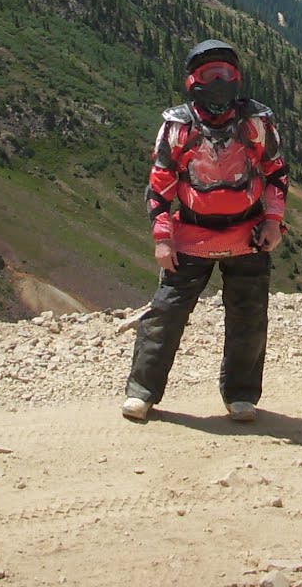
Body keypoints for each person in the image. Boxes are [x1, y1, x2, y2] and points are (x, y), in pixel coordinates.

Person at [122, 39, 289, 423]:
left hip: (248, 232)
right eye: (208, 74)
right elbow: (160, 184)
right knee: (166, 313)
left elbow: (276, 171)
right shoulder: (177, 127)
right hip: (191, 234)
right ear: (191, 81)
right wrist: (162, 236)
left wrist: (273, 220)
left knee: (248, 314)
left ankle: (241, 396)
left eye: (225, 74)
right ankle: (142, 392)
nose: (218, 82)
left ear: (237, 78)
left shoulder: (257, 123)